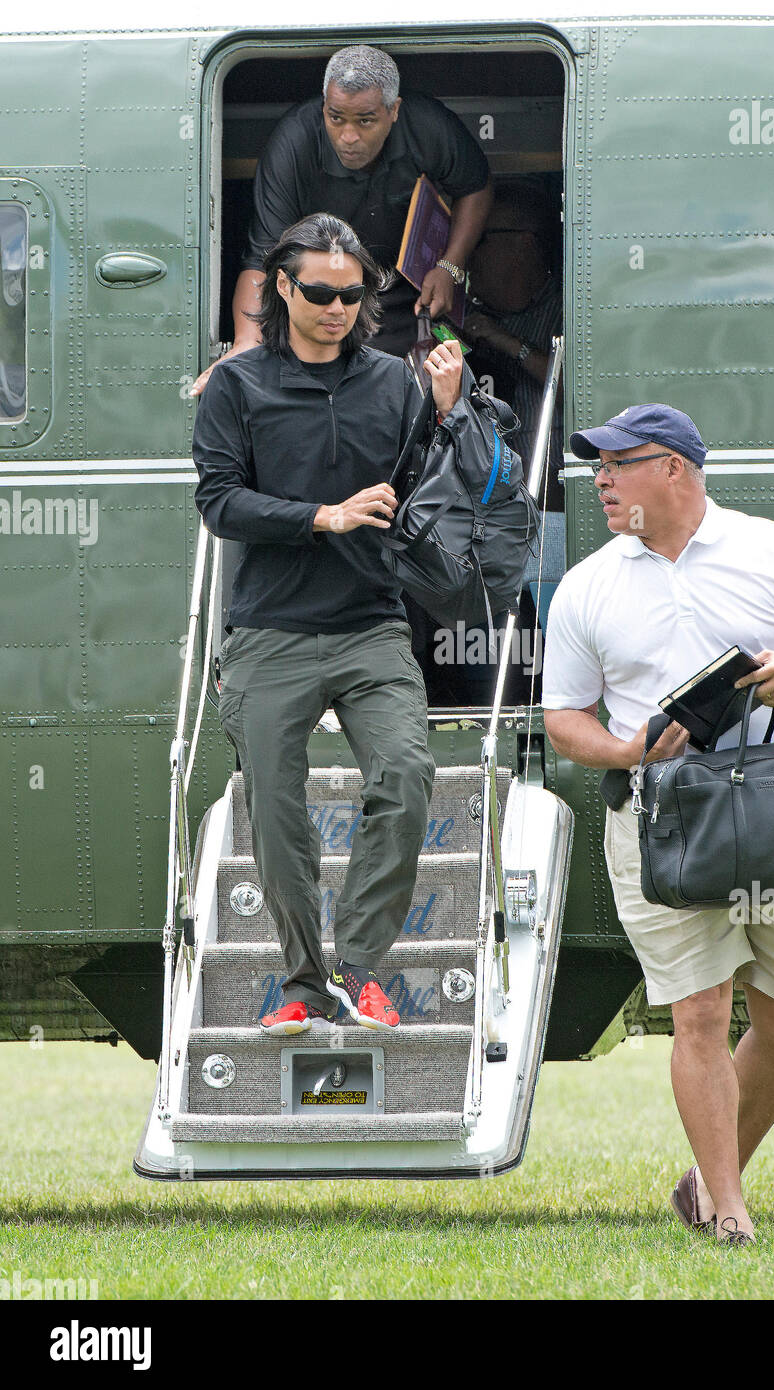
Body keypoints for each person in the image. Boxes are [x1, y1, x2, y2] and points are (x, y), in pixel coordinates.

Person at [541, 403, 774, 1244]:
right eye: (597, 468)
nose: (600, 481)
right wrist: (627, 750)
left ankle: (704, 1182)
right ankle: (729, 1210)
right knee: (699, 1013)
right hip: (663, 821)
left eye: (617, 465)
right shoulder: (589, 584)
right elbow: (563, 718)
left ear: (673, 468)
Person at [193, 211, 463, 1034]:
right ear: (282, 286)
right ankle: (305, 984)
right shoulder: (237, 385)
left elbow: (429, 492)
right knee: (276, 814)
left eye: (354, 294)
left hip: (371, 626)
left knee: (406, 774)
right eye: (320, 293)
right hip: (269, 631)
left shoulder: (394, 383)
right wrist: (323, 516)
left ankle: (362, 969)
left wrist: (446, 413)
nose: (338, 308)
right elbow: (219, 502)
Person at [192, 44, 492, 394]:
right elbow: (262, 257)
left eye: (365, 121)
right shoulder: (293, 141)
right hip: (321, 299)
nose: (348, 137)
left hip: (410, 300)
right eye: (336, 118)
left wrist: (450, 266)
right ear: (324, 107)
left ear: (393, 110)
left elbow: (476, 187)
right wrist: (247, 342)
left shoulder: (428, 126)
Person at [464, 179, 563, 509]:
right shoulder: (468, 316)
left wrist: (508, 344)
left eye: (479, 238)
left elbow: (583, 392)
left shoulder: (568, 311)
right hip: (481, 487)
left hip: (550, 487)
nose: (468, 254)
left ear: (524, 242)